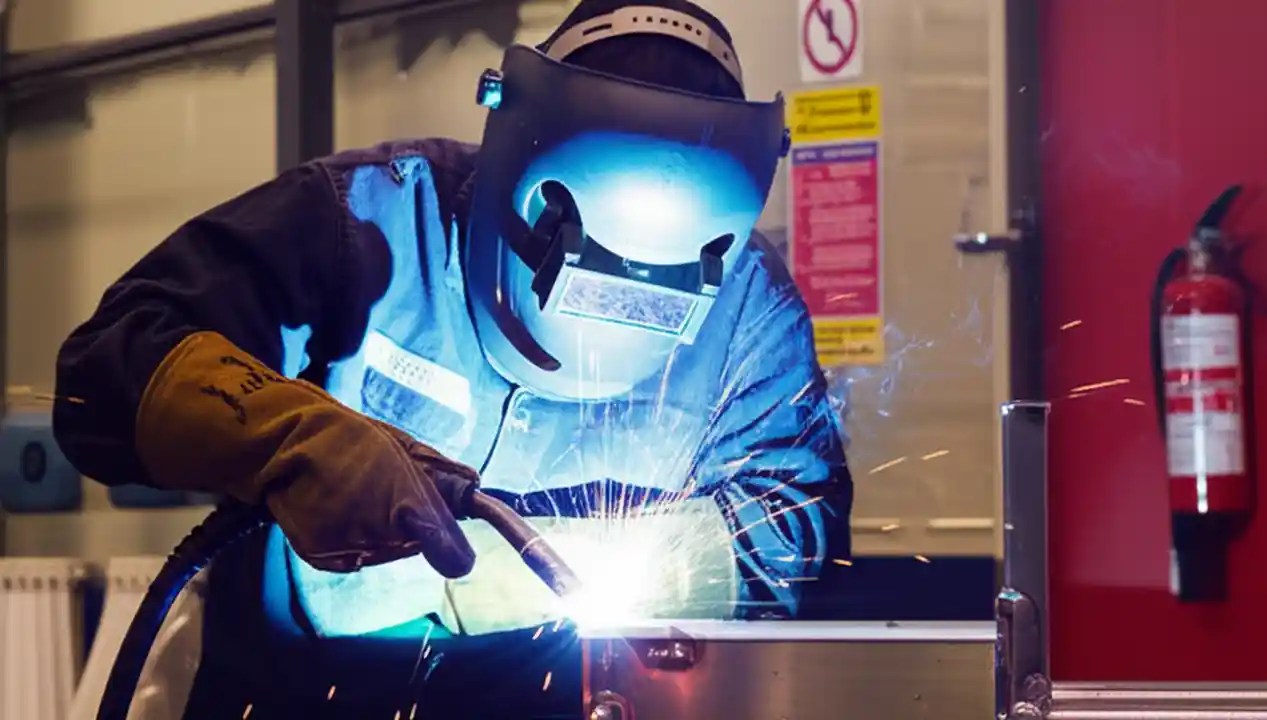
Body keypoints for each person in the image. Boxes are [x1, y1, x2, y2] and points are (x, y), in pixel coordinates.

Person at [53, 0, 854, 717]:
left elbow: (798, 525)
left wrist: (504, 578)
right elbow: (107, 369)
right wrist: (281, 433)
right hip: (289, 690)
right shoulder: (364, 226)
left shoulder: (749, 308)